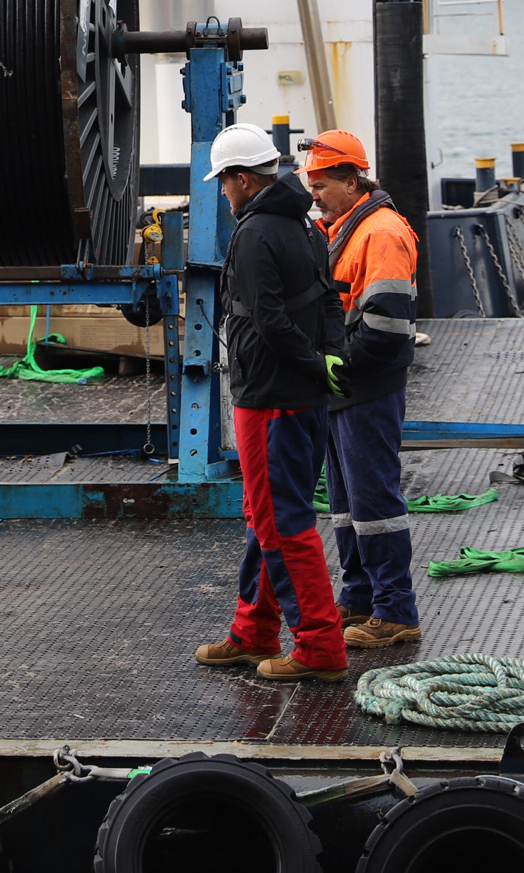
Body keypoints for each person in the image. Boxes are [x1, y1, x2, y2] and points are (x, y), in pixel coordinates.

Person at [195, 122, 351, 682]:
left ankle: (319, 647)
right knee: (268, 516)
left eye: (224, 182)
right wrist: (331, 359)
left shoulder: (255, 233)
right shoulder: (307, 226)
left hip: (269, 399)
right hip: (303, 397)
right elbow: (329, 302)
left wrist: (311, 362)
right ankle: (254, 631)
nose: (223, 192)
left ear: (242, 179)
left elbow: (267, 320)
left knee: (280, 521)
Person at [304, 129, 422, 650]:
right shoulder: (344, 230)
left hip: (365, 387)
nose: (315, 197)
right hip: (344, 388)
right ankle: (358, 598)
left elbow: (388, 327)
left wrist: (338, 366)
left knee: (375, 502)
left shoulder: (381, 234)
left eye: (322, 187)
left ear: (351, 181)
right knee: (348, 505)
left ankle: (395, 611)